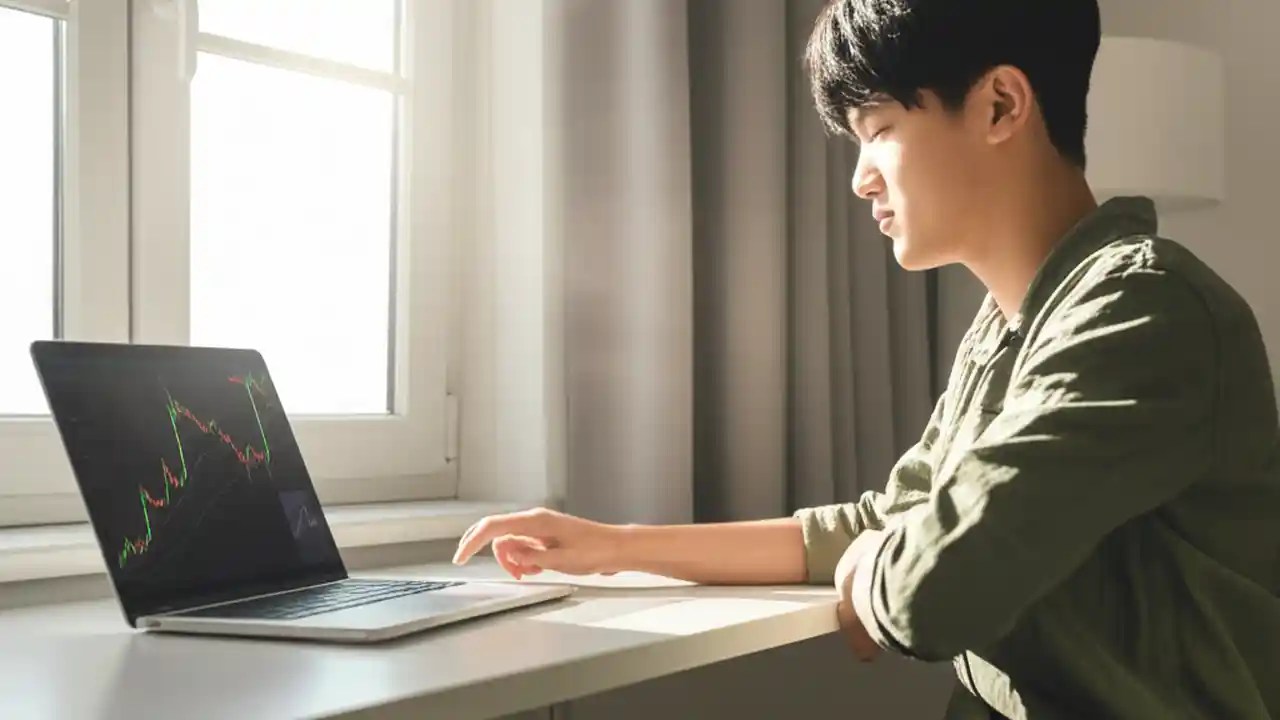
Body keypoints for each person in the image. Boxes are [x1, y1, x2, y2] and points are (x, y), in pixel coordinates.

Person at [453, 1, 1280, 717]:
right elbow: (882, 523)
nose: (859, 180)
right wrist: (613, 546)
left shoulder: (1143, 310)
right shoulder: (1006, 329)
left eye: (879, 131)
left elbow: (934, 584)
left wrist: (872, 559)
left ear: (999, 104)